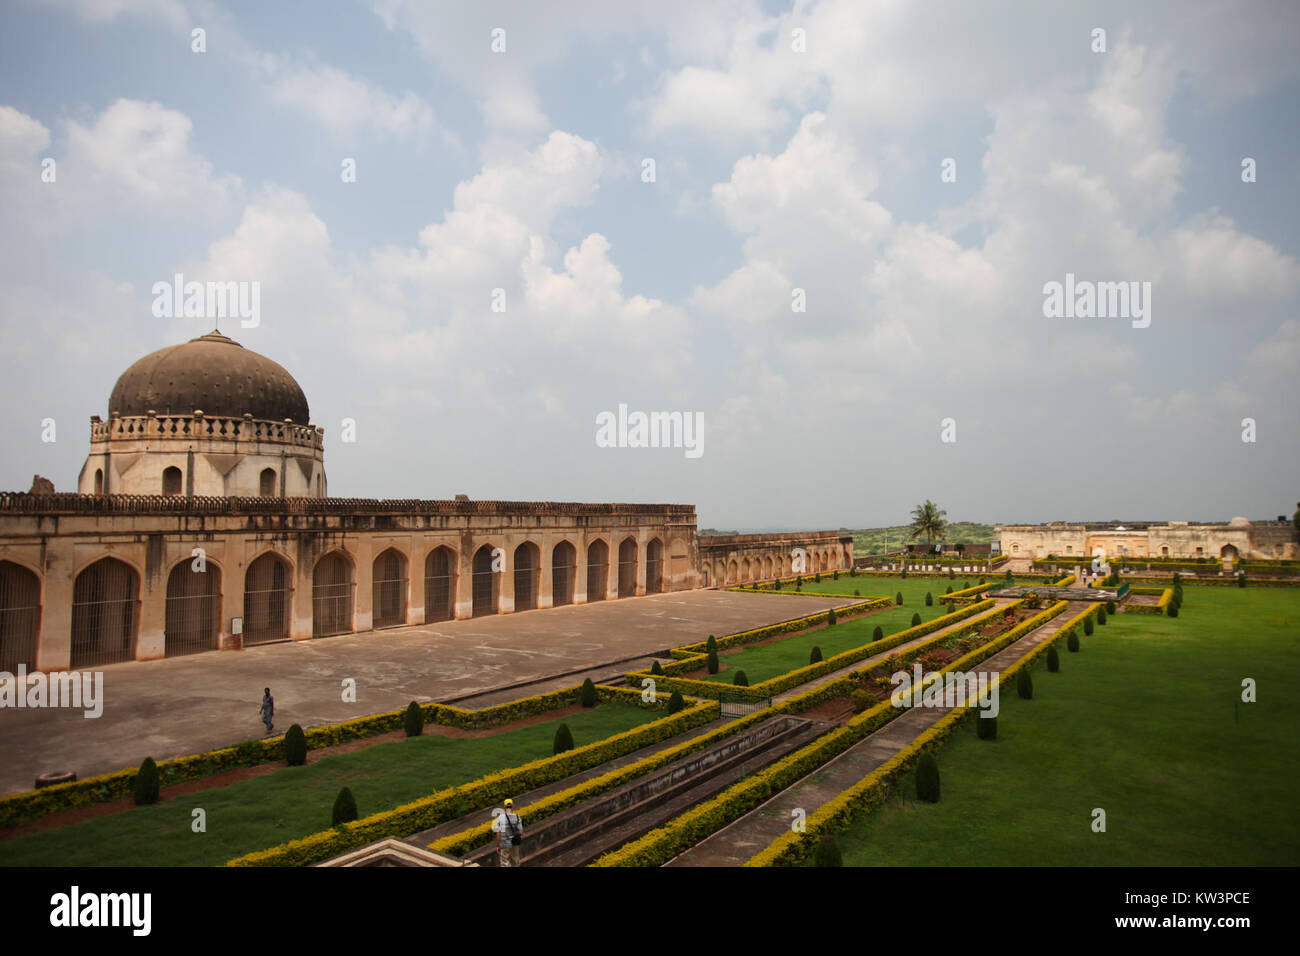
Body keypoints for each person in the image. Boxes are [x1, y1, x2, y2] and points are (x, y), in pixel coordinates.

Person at [496, 798, 524, 867]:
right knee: (515, 861)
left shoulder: (500, 818)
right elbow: (521, 832)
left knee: (505, 862)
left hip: (504, 843)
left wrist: (498, 845)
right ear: (512, 806)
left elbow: (498, 833)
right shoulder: (517, 817)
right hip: (514, 843)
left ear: (504, 807)